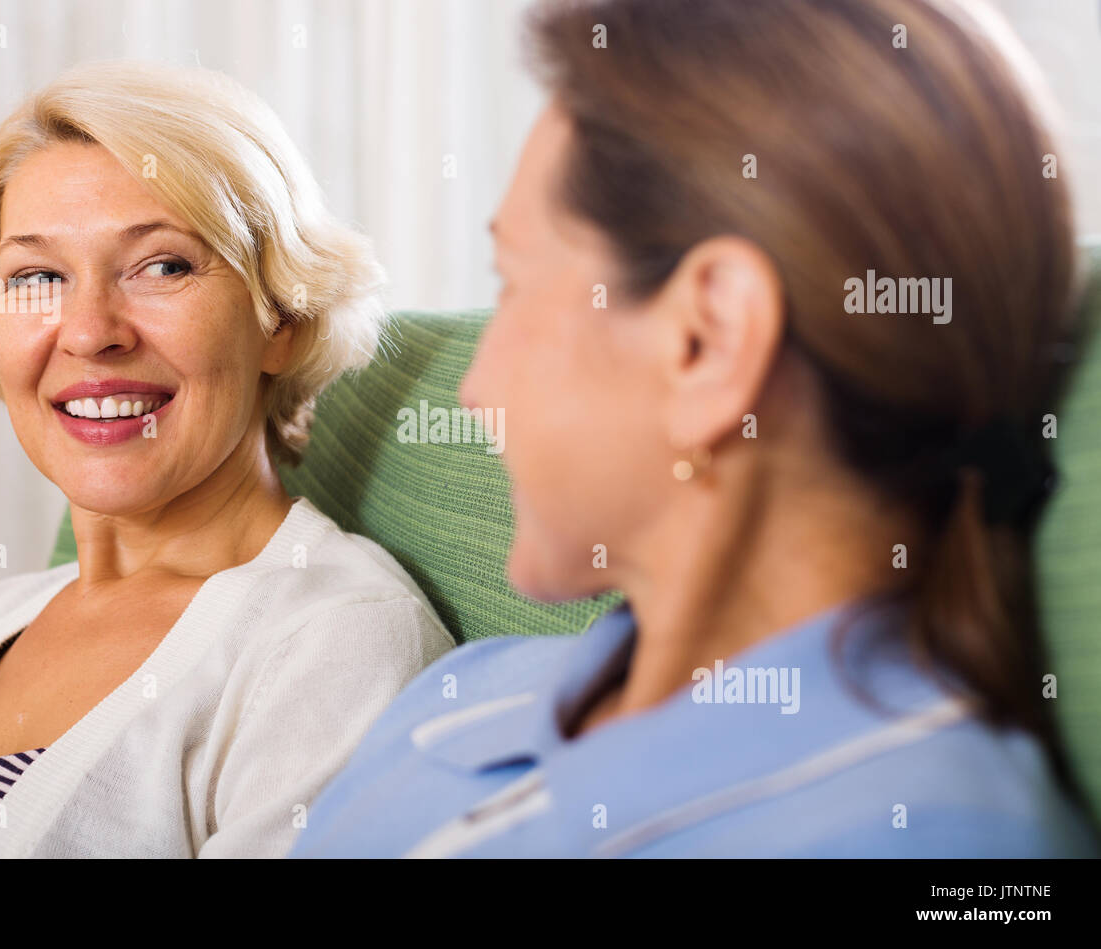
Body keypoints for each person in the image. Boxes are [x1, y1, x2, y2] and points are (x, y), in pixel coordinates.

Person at [289, 0, 1101, 857]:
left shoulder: (929, 839)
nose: (474, 391)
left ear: (709, 340)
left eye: (514, 284)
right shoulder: (459, 693)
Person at [0, 60, 453, 859]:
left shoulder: (334, 639)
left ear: (280, 315)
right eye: (38, 275)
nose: (88, 331)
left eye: (162, 265)